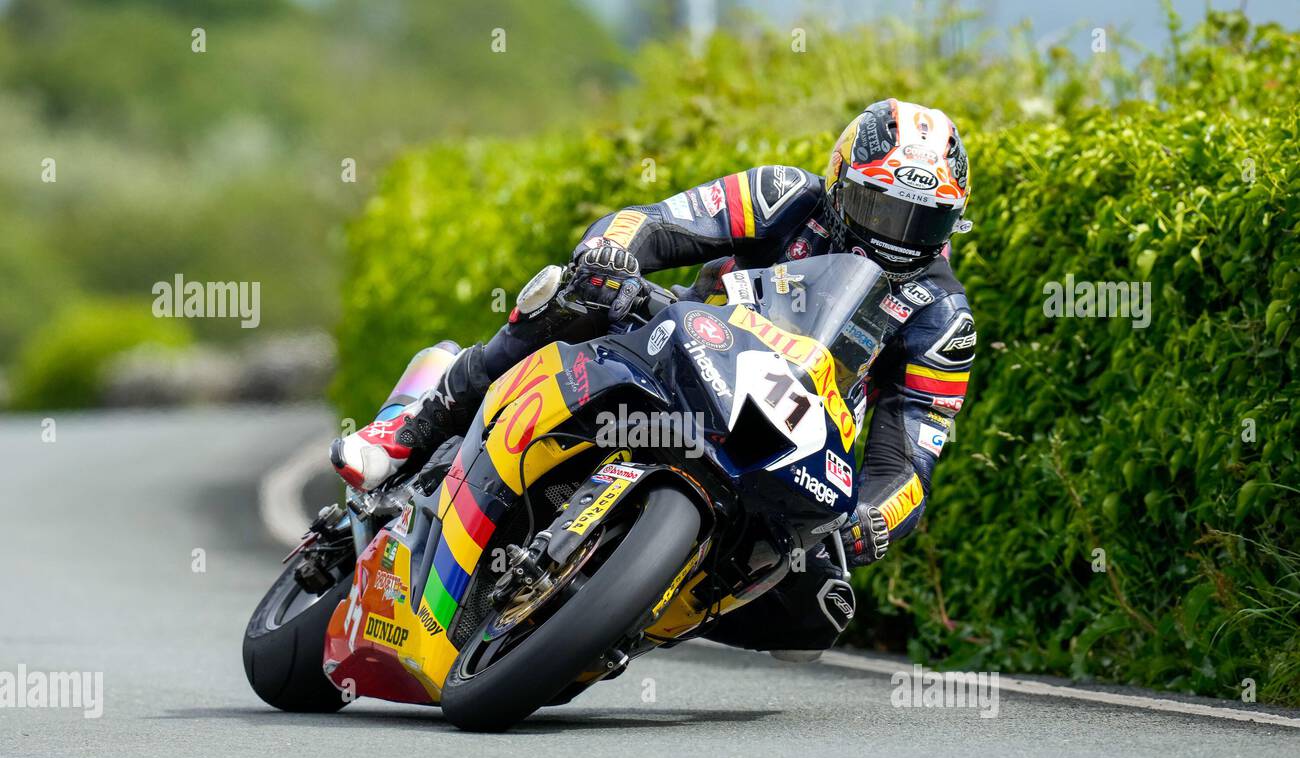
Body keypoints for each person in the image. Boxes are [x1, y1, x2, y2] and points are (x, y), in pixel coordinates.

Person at [331, 99, 975, 656]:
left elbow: (910, 455)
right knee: (575, 294)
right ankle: (411, 430)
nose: (894, 238)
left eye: (923, 221)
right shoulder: (783, 194)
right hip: (686, 347)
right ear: (840, 181)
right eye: (879, 208)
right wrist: (611, 252)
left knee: (819, 610)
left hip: (789, 436)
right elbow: (659, 221)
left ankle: (617, 619)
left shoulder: (945, 320)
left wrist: (876, 516)